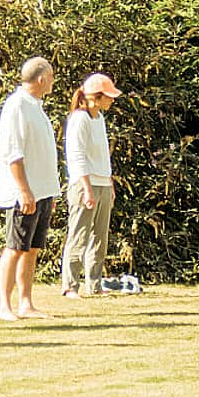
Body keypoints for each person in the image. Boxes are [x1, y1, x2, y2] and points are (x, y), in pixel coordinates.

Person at [0, 57, 60, 320]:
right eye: (51, 76)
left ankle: (26, 303)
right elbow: (13, 153)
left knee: (32, 249)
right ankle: (4, 306)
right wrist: (24, 190)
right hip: (23, 191)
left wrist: (49, 190)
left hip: (42, 190)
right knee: (15, 247)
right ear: (41, 78)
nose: (53, 80)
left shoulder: (36, 106)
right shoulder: (16, 105)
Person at [61, 73, 122, 298]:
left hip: (102, 183)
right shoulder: (79, 119)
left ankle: (94, 285)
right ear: (96, 97)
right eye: (108, 96)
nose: (112, 100)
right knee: (79, 235)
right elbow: (77, 157)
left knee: (99, 238)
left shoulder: (99, 119)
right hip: (84, 185)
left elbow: (103, 156)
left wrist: (110, 183)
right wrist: (87, 188)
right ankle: (70, 286)